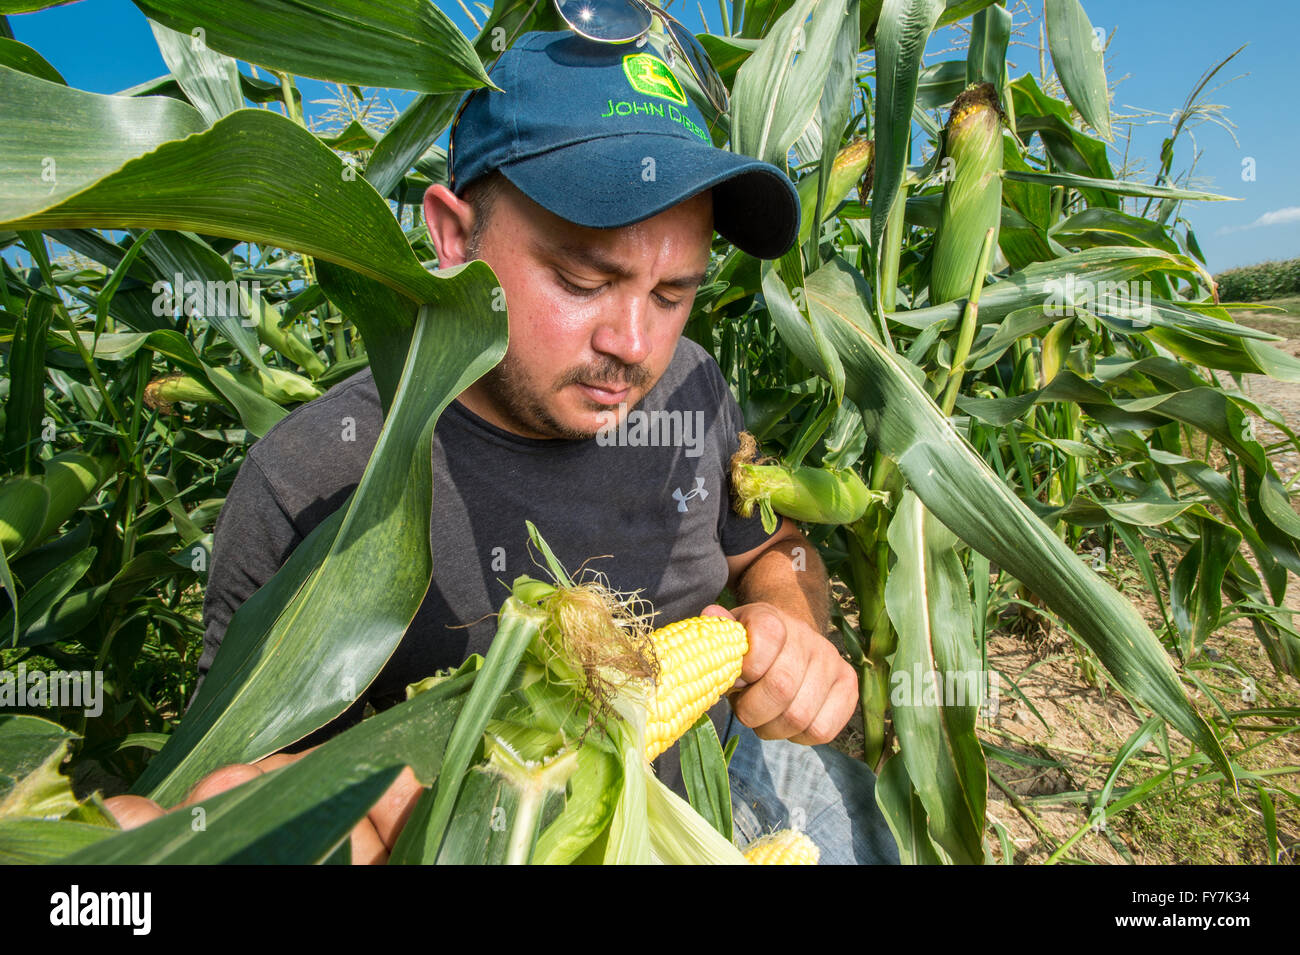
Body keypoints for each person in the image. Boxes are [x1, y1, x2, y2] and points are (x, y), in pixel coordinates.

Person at [106, 27, 899, 865]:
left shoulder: (691, 386)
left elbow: (775, 546)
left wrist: (789, 620)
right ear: (454, 235)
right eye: (584, 279)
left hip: (725, 790)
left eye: (674, 292)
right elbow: (249, 772)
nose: (635, 342)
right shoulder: (313, 480)